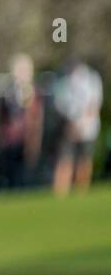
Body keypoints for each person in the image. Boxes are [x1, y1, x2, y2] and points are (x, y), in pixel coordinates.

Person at [0, 54, 43, 189]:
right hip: (10, 139)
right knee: (11, 173)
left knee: (25, 173)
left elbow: (35, 116)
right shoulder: (8, 91)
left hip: (27, 138)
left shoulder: (32, 91)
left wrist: (33, 137)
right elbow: (2, 116)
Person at [52, 59, 103, 196]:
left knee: (84, 159)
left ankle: (82, 190)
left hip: (88, 128)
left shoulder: (92, 80)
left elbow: (94, 105)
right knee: (65, 159)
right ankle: (61, 192)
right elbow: (61, 105)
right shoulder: (64, 82)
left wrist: (82, 123)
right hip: (69, 128)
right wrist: (71, 124)